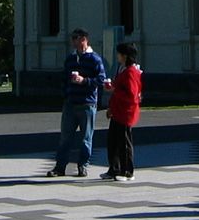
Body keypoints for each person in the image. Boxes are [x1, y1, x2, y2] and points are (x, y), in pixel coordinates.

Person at [47, 29, 107, 177]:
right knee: (65, 137)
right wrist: (66, 94)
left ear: (84, 39)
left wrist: (84, 80)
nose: (73, 41)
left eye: (76, 38)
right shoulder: (70, 59)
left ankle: (83, 166)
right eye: (72, 38)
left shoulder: (95, 59)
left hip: (87, 104)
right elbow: (64, 78)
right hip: (70, 103)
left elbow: (101, 79)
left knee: (86, 138)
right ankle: (60, 167)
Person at [101, 42, 142, 181]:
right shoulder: (122, 69)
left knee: (124, 143)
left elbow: (132, 95)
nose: (117, 56)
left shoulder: (131, 72)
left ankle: (127, 171)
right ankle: (114, 168)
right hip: (118, 111)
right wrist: (111, 107)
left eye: (119, 53)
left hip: (125, 113)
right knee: (113, 141)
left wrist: (114, 90)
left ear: (125, 56)